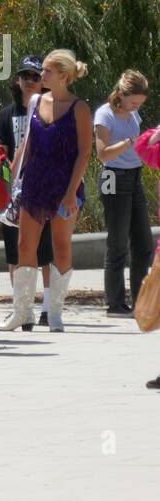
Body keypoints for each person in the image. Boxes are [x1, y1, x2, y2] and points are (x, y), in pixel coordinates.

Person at [0, 50, 92, 332]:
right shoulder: (36, 101)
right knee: (24, 245)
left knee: (61, 246)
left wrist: (71, 191)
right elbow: (26, 144)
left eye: (48, 71)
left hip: (65, 184)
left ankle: (54, 312)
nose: (41, 76)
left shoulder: (79, 108)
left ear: (64, 75)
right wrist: (11, 181)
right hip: (35, 182)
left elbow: (85, 153)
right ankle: (22, 312)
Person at [0, 56, 54, 329]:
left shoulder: (52, 109)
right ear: (16, 80)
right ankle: (22, 309)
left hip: (44, 185)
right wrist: (11, 182)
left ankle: (49, 308)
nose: (30, 81)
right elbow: (2, 152)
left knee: (45, 251)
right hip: (15, 190)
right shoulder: (7, 114)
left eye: (35, 76)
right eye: (25, 75)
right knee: (14, 251)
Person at [94, 70, 150, 317]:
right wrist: (130, 142)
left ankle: (140, 300)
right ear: (122, 94)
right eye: (133, 102)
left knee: (144, 243)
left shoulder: (133, 112)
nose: (136, 107)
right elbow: (103, 154)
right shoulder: (104, 114)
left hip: (134, 175)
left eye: (139, 104)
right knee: (117, 242)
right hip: (114, 177)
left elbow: (138, 141)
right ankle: (115, 303)